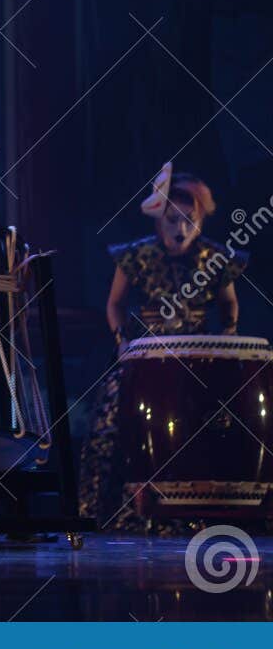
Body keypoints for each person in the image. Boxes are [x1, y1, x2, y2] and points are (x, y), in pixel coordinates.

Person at [78, 163, 245, 529]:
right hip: (145, 356)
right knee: (108, 428)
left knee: (216, 425)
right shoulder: (136, 255)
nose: (181, 229)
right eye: (172, 219)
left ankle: (205, 513)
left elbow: (229, 303)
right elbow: (115, 304)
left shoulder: (215, 257)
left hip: (196, 358)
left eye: (189, 219)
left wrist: (228, 336)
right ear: (158, 219)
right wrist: (122, 343)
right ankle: (102, 515)